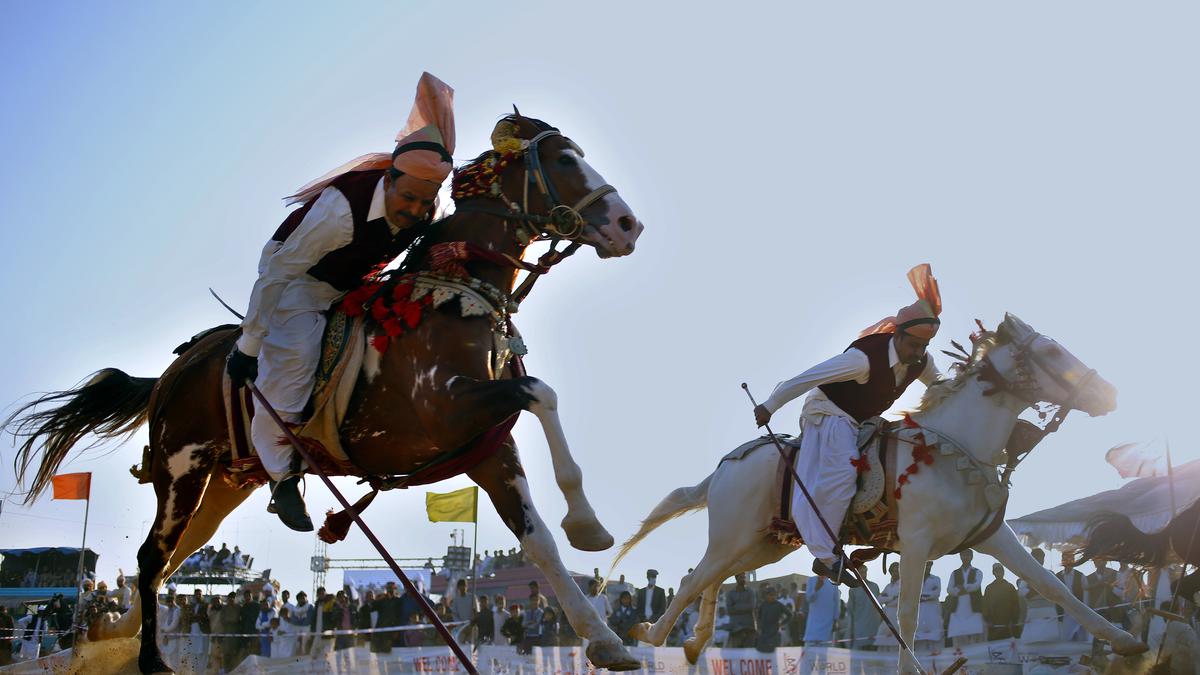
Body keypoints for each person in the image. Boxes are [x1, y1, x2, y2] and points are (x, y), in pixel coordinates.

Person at [226, 72, 456, 531]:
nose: (413, 211)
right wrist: (248, 348)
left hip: (354, 282)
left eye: (423, 203)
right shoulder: (339, 210)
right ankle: (282, 479)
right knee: (292, 368)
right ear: (389, 180)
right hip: (298, 281)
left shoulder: (426, 207)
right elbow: (278, 273)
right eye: (407, 198)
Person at [754, 264, 943, 585]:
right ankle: (826, 556)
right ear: (897, 335)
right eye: (913, 345)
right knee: (843, 470)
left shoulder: (920, 360)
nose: (919, 352)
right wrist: (770, 406)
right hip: (828, 412)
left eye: (924, 347)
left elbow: (938, 384)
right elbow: (807, 378)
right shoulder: (862, 359)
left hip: (863, 420)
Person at [1019, 548, 1059, 643]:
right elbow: (1022, 593)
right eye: (1035, 558)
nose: (1038, 560)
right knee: (1031, 642)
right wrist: (1041, 588)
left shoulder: (1051, 574)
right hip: (1033, 612)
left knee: (1050, 642)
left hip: (1049, 612)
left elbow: (1055, 591)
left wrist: (1034, 589)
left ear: (1043, 559)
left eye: (1040, 558)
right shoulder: (1026, 575)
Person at [946, 550, 985, 646]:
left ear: (971, 557)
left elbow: (976, 586)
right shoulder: (954, 573)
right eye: (963, 555)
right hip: (958, 610)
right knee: (958, 638)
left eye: (967, 555)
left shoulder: (977, 572)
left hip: (973, 608)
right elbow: (949, 590)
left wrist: (963, 588)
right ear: (960, 556)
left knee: (975, 638)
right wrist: (960, 591)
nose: (965, 557)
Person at [846, 563, 882, 649]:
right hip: (859, 628)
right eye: (861, 572)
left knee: (873, 655)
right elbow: (850, 610)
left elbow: (880, 606)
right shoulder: (853, 588)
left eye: (864, 571)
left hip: (874, 627)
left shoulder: (874, 586)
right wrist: (851, 629)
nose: (863, 573)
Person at [982, 563, 1020, 641]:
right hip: (994, 628)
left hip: (1009, 628)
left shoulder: (1010, 587)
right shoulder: (989, 588)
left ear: (1003, 572)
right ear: (993, 573)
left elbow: (1016, 605)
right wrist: (988, 621)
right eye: (996, 571)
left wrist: (1013, 621)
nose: (999, 573)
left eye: (1000, 571)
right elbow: (985, 606)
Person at [1056, 551, 1088, 642]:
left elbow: (1085, 596)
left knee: (1081, 639)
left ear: (1074, 560)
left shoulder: (1080, 576)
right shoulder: (1057, 577)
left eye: (1070, 559)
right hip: (1064, 614)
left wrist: (1084, 612)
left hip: (1079, 614)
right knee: (1065, 640)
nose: (1067, 561)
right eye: (1065, 559)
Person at [754, 586, 792, 652]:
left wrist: (781, 623)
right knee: (761, 651)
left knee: (775, 652)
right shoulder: (763, 605)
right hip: (764, 633)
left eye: (774, 595)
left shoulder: (779, 605)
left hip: (774, 632)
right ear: (766, 595)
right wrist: (759, 628)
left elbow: (790, 615)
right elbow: (758, 617)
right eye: (770, 595)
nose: (772, 597)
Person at [804, 574, 838, 646]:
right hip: (813, 625)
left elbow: (836, 603)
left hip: (827, 625)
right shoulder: (811, 580)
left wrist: (835, 620)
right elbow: (809, 599)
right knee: (810, 653)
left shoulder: (833, 583)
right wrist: (816, 589)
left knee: (824, 655)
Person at [915, 562, 942, 651]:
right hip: (919, 613)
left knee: (935, 641)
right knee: (920, 643)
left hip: (932, 612)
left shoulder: (936, 579)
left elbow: (936, 593)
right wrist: (926, 595)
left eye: (929, 565)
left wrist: (921, 596)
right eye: (926, 564)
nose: (927, 567)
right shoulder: (915, 580)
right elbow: (913, 594)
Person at [874, 562, 901, 649]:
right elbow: (879, 600)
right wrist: (892, 598)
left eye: (897, 570)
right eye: (893, 571)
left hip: (898, 616)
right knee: (882, 643)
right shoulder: (888, 586)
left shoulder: (903, 585)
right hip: (887, 615)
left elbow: (899, 601)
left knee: (896, 643)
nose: (895, 573)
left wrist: (887, 599)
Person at [726, 573, 757, 648]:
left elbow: (752, 607)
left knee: (749, 652)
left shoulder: (750, 592)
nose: (743, 579)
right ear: (736, 579)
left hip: (749, 626)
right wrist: (745, 608)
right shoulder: (730, 593)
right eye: (741, 577)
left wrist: (736, 606)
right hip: (735, 627)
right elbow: (729, 610)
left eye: (744, 577)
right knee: (737, 652)